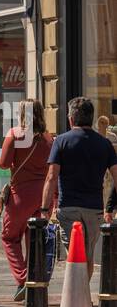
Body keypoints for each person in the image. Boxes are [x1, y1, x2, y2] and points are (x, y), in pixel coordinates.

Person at [41, 96, 117, 282]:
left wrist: (44, 209)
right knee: (88, 256)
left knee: (74, 255)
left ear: (71, 119)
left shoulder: (61, 142)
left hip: (69, 208)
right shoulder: (104, 144)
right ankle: (83, 298)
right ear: (91, 118)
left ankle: (77, 300)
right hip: (94, 209)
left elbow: (51, 177)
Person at [0, 99, 54, 300]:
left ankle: (23, 279)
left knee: (9, 237)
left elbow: (3, 164)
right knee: (34, 238)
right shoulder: (49, 138)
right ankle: (34, 280)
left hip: (21, 193)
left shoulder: (15, 134)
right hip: (43, 195)